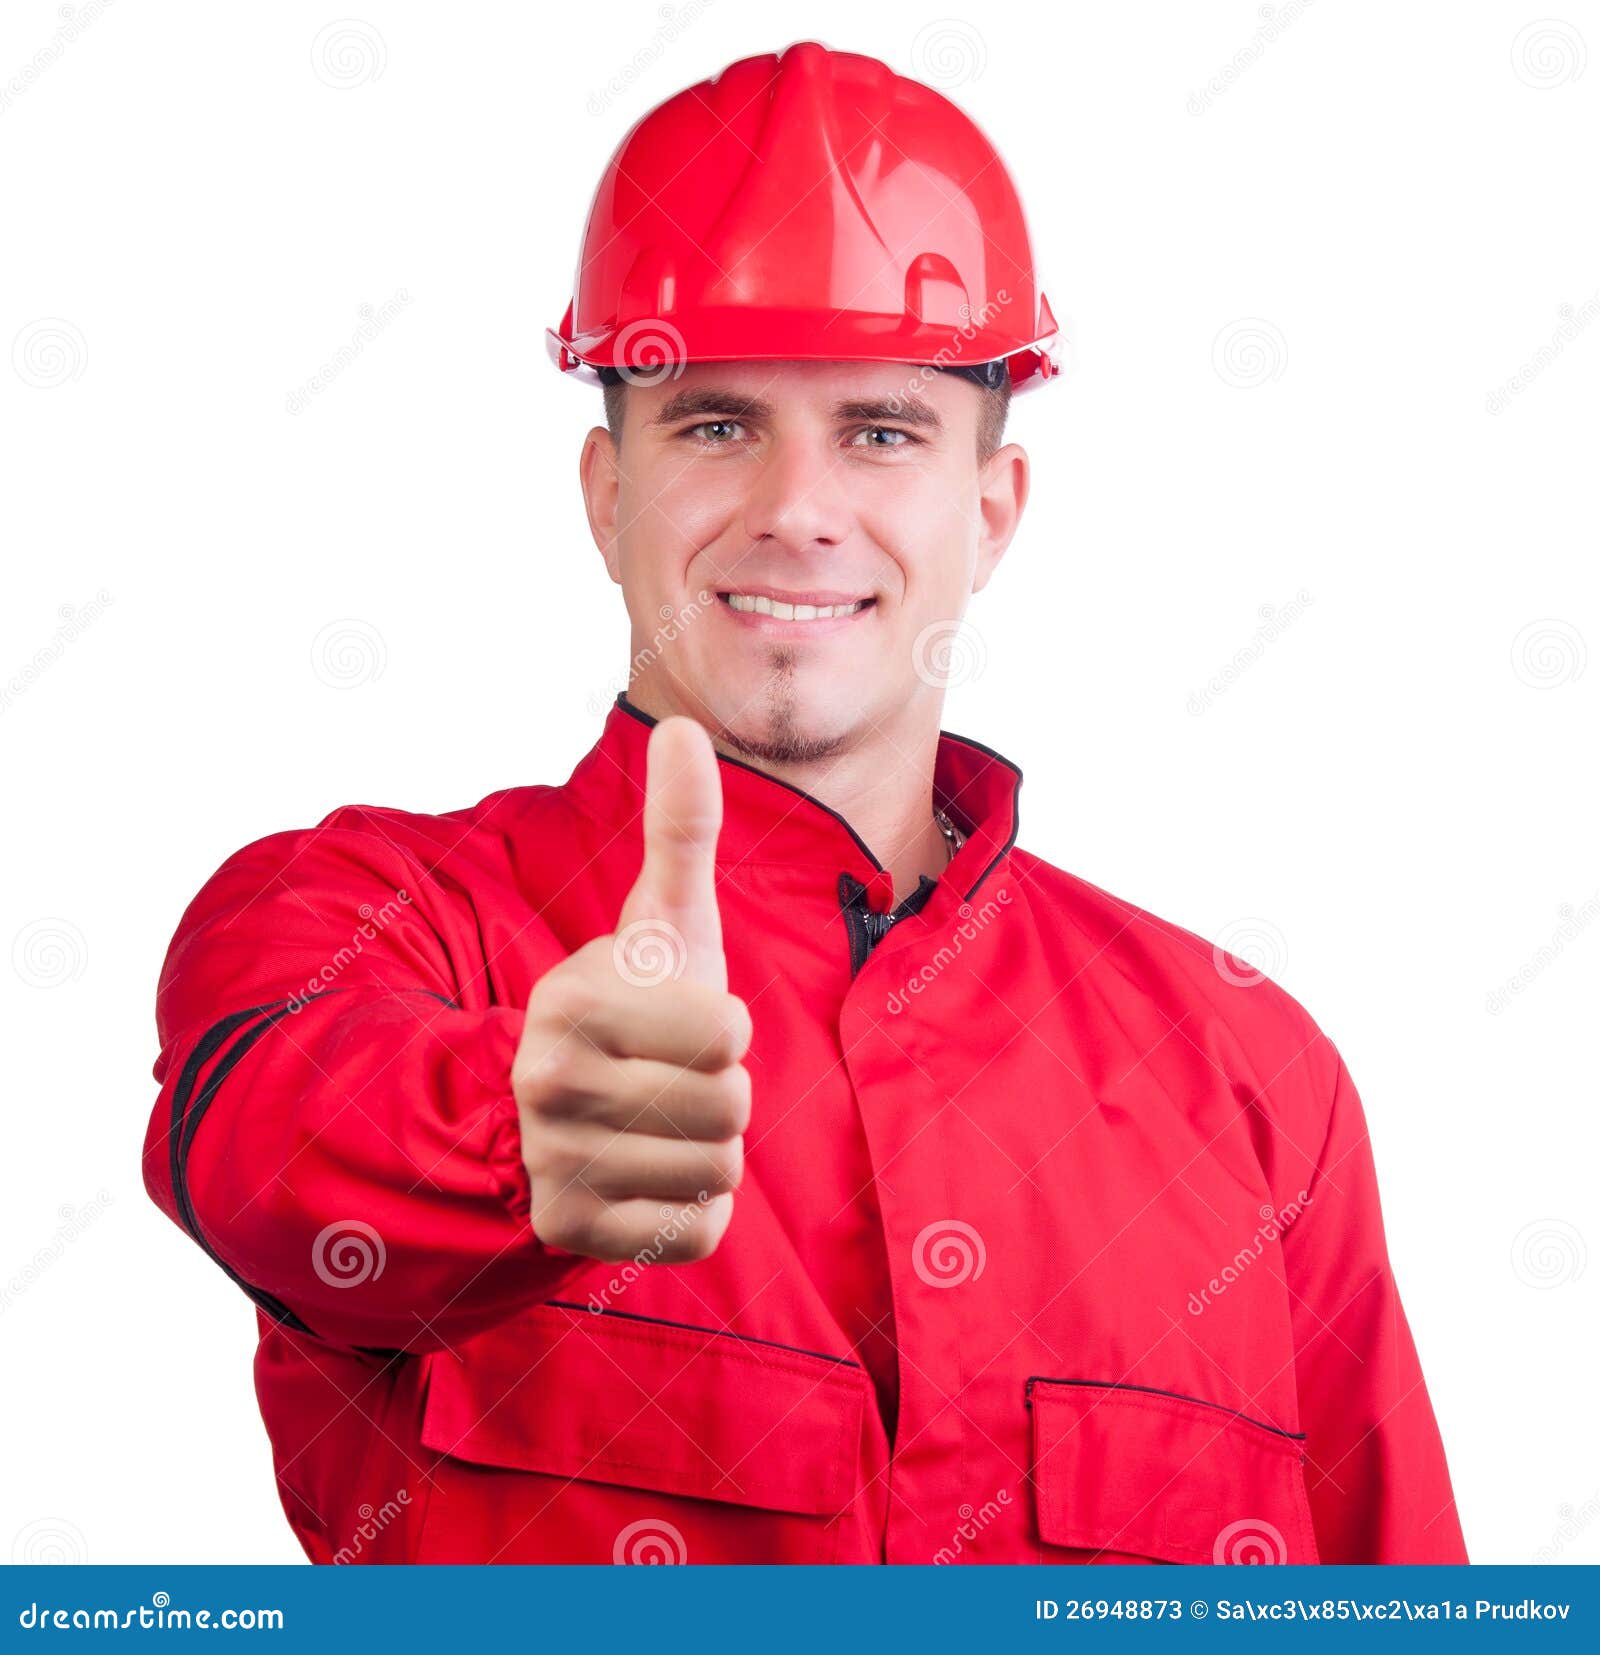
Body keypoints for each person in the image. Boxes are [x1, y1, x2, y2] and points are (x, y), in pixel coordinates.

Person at [142, 40, 1467, 1566]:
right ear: (606, 492)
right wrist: (518, 1134)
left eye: (882, 430)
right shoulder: (376, 917)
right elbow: (265, 1144)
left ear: (990, 508)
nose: (794, 507)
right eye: (715, 424)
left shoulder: (1250, 1077)